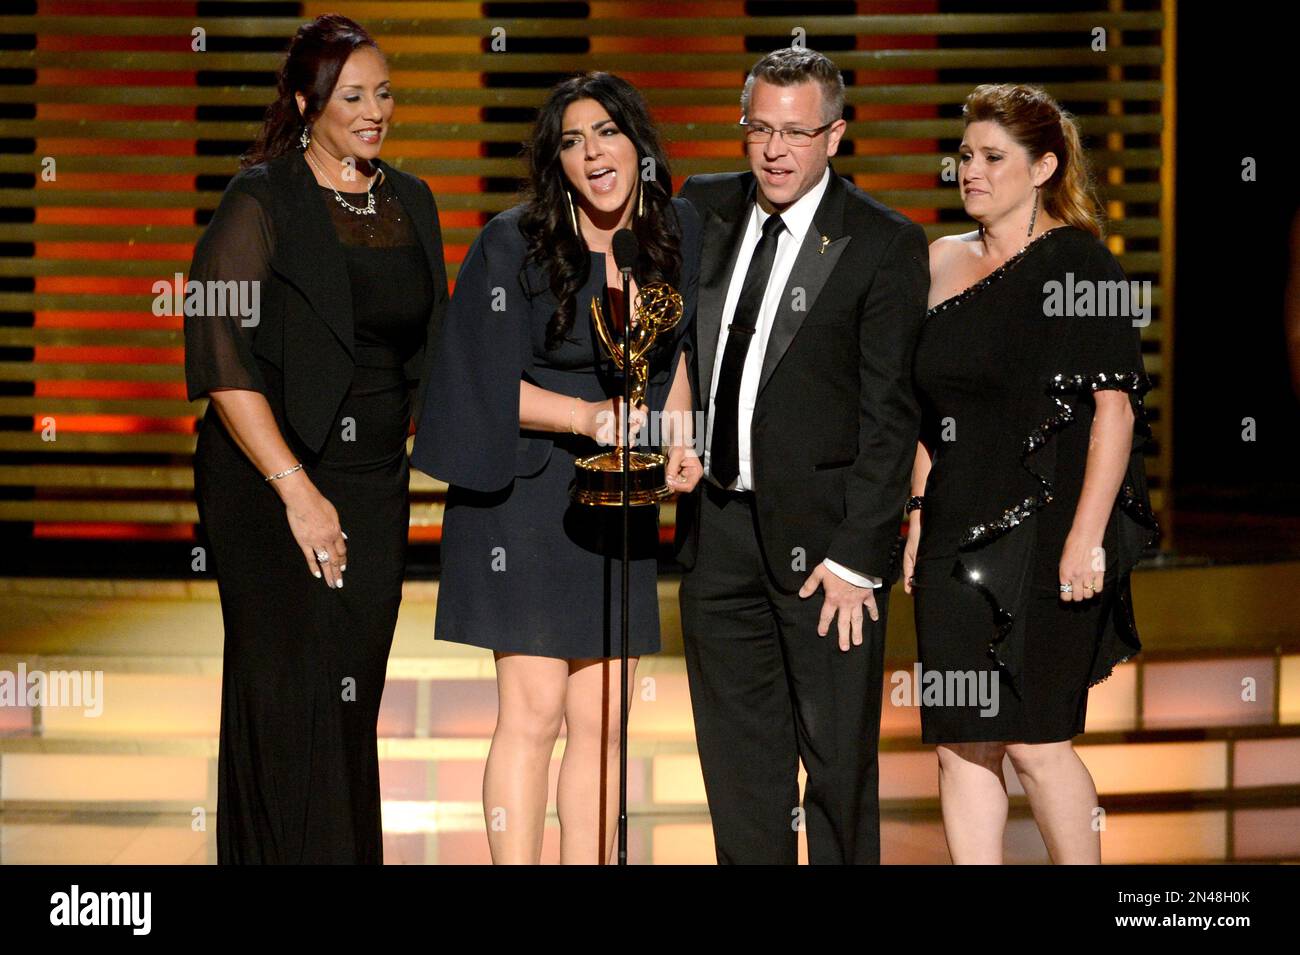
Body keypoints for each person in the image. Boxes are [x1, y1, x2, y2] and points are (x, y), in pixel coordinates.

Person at [411, 72, 703, 864]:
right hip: (527, 494)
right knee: (534, 713)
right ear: (556, 161)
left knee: (606, 719)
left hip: (619, 502)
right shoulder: (514, 241)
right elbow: (472, 383)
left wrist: (683, 434)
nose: (592, 153)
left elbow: (679, 356)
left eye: (607, 132)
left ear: (638, 142)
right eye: (572, 141)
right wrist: (582, 415)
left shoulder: (677, 233)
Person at [183, 14, 449, 863]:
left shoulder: (412, 199)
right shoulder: (260, 198)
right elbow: (220, 356)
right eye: (352, 95)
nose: (374, 110)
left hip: (372, 483)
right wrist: (298, 490)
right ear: (308, 102)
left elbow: (430, 349)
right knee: (285, 698)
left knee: (347, 699)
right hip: (270, 484)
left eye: (384, 92)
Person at [674, 47, 929, 864]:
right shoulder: (702, 207)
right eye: (760, 129)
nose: (776, 150)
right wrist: (673, 410)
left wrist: (861, 556)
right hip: (718, 535)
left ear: (836, 134)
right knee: (739, 771)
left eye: (797, 131)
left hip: (828, 551)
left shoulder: (882, 242)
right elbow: (671, 332)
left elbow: (891, 414)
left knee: (835, 766)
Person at [902, 83, 1159, 864]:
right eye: (965, 156)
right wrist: (915, 512)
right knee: (961, 742)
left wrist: (1086, 539)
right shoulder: (939, 261)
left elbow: (1114, 410)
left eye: (991, 158)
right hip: (951, 534)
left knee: (1036, 741)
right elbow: (926, 410)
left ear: (1044, 165)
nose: (970, 171)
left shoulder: (1082, 261)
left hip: (1051, 536)